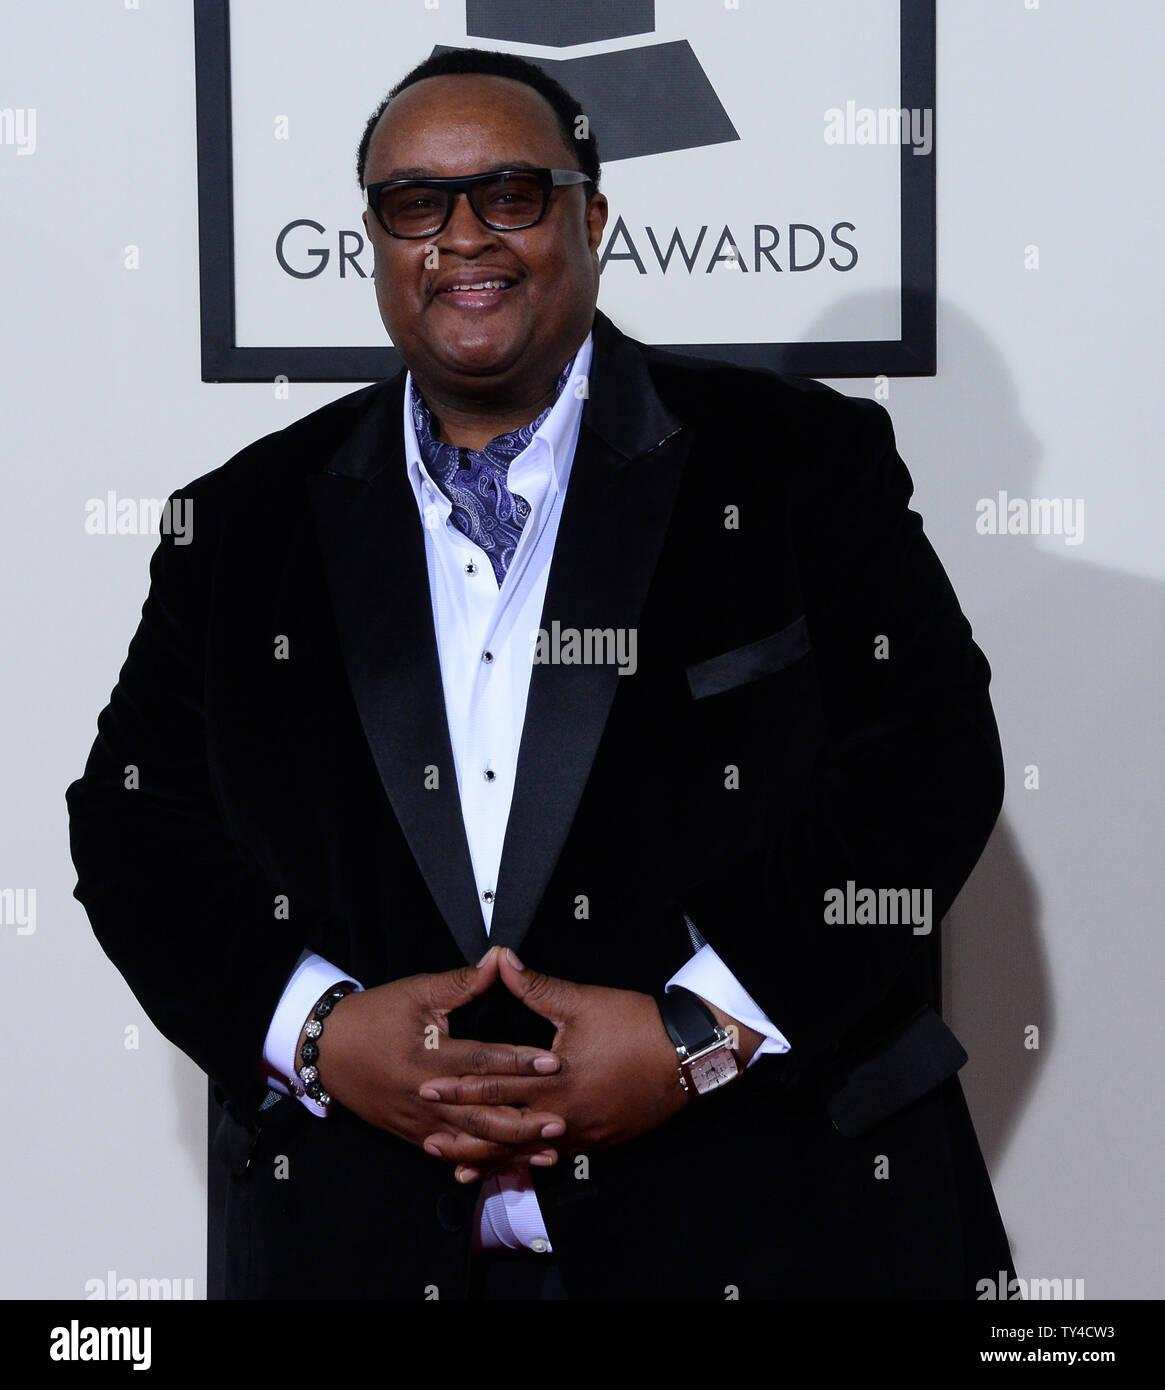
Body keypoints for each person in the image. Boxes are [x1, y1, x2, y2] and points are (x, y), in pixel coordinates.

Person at [66, 48, 1014, 1300]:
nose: (463, 236)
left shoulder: (798, 463)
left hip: (771, 1228)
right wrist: (321, 1032)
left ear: (593, 218)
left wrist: (696, 1035)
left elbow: (928, 763)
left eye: (512, 193)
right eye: (417, 202)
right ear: (374, 238)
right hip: (368, 1250)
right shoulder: (241, 524)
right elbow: (135, 826)